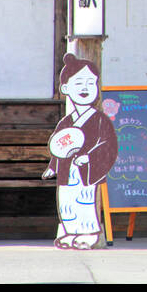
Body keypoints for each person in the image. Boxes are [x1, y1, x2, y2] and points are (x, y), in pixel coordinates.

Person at [42, 55, 118, 250]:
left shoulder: (100, 119)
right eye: (79, 83)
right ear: (66, 88)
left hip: (86, 171)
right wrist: (53, 166)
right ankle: (69, 232)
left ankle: (88, 234)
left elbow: (108, 143)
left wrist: (90, 157)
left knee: (85, 201)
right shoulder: (66, 122)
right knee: (66, 202)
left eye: (90, 83)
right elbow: (58, 147)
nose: (85, 88)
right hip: (67, 171)